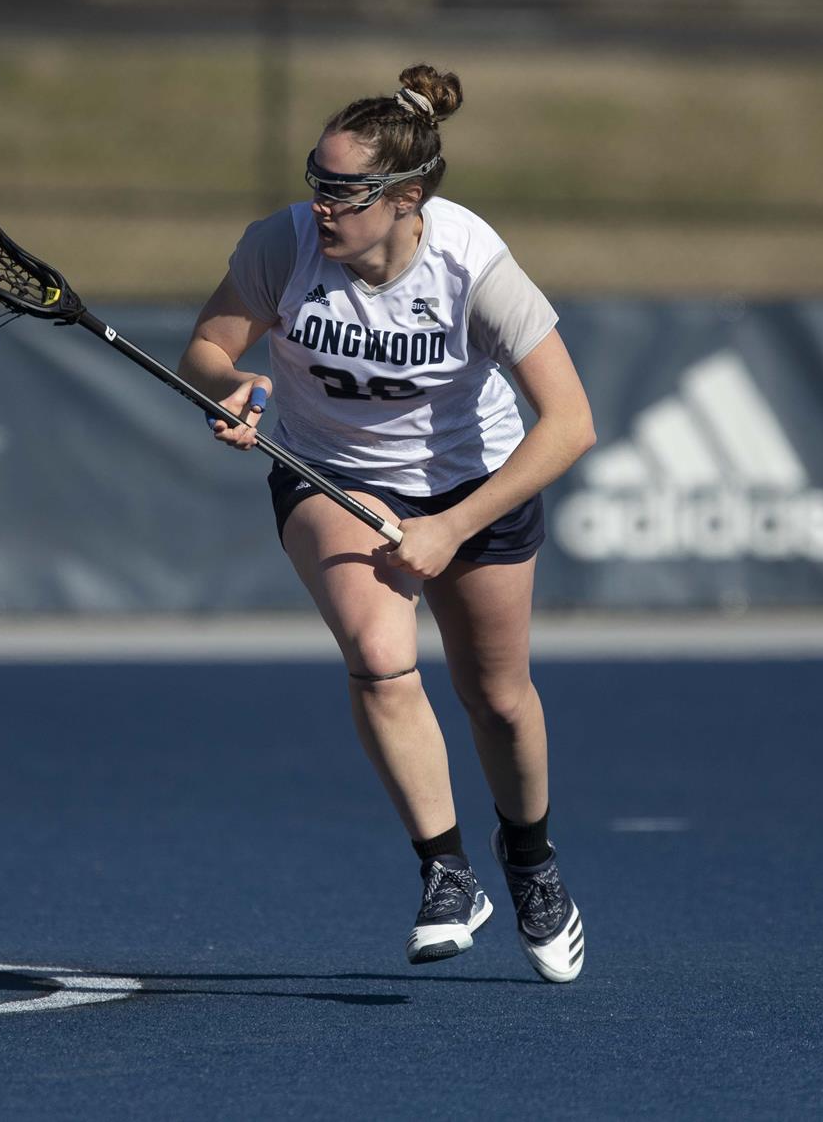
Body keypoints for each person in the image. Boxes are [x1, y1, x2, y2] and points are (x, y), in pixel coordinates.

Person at [178, 64, 596, 982]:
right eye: (313, 182)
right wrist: (235, 390)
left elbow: (571, 424)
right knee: (378, 651)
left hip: (473, 484)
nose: (320, 205)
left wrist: (451, 528)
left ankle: (530, 860)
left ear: (407, 197)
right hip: (328, 472)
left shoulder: (474, 267)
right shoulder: (281, 246)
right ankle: (447, 869)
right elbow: (207, 348)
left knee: (497, 698)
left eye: (343, 191)